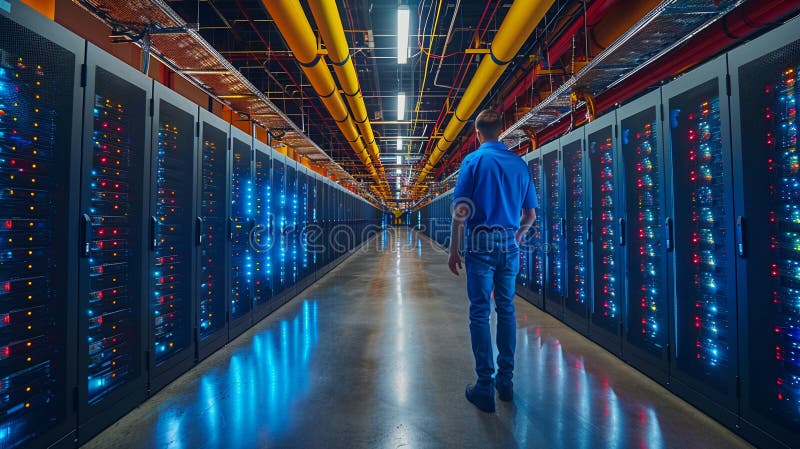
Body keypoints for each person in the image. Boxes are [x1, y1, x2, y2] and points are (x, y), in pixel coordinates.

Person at [448, 109, 537, 413]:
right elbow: (530, 215)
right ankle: (506, 382)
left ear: (477, 133)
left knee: (479, 312)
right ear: (501, 131)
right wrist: (517, 236)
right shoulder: (520, 164)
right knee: (507, 309)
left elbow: (461, 212)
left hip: (480, 243)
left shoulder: (473, 161)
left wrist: (454, 249)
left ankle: (484, 386)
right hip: (509, 243)